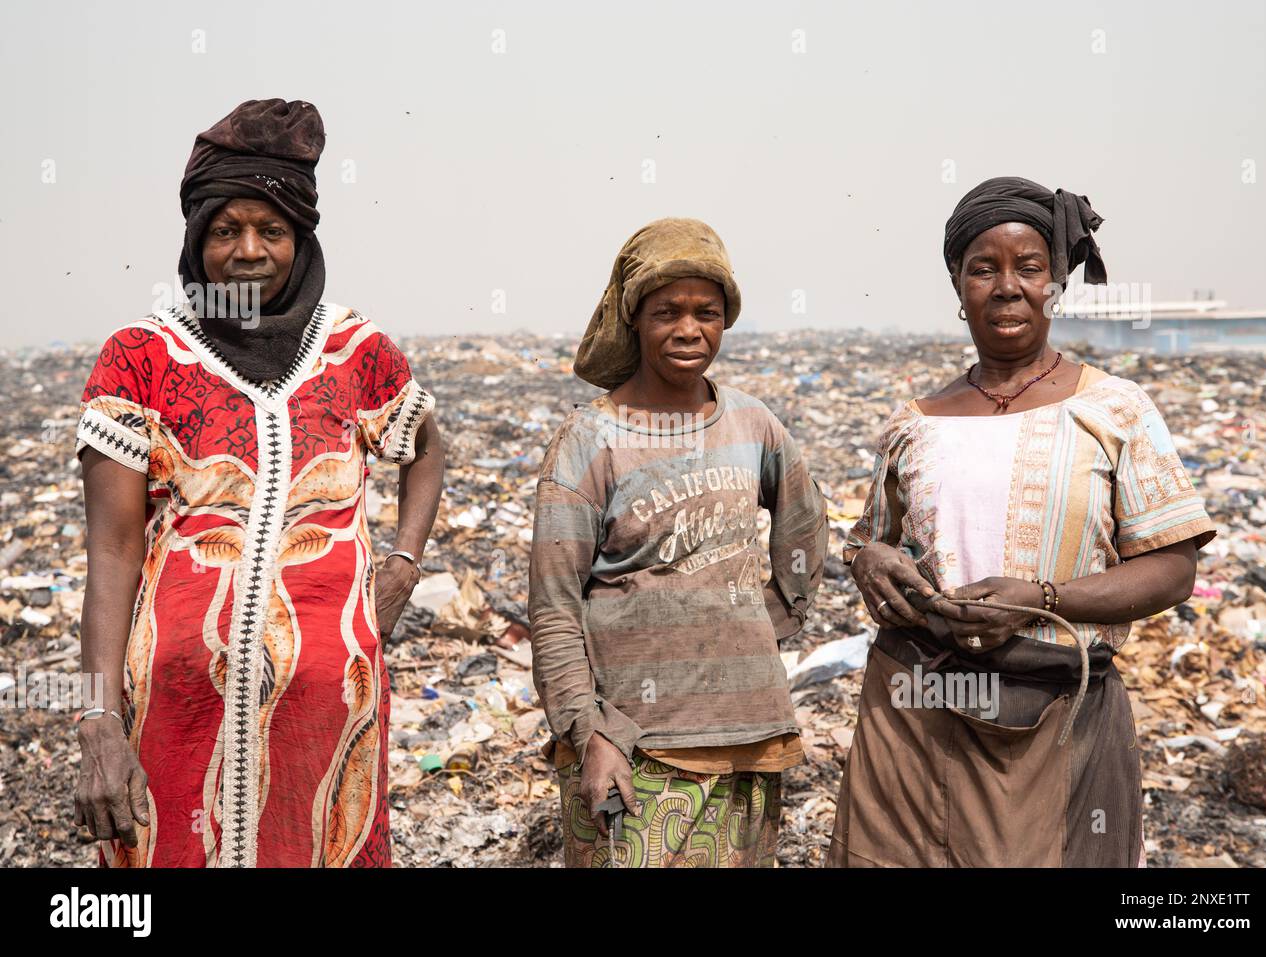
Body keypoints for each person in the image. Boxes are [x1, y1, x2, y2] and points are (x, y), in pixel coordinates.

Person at [72, 99, 444, 867]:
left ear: (301, 239)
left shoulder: (354, 349)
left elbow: (427, 447)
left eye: (270, 230)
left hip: (326, 718)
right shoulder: (140, 359)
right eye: (224, 230)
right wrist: (96, 720)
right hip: (174, 714)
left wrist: (402, 564)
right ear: (195, 237)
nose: (247, 251)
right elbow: (110, 553)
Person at [826, 177, 1216, 867]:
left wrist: (1041, 599)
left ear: (1055, 282)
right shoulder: (914, 423)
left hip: (1058, 715)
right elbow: (870, 540)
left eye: (1028, 267)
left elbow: (1175, 567)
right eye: (984, 268)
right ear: (958, 285)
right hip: (915, 710)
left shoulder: (1116, 410)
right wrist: (867, 561)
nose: (1007, 286)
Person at [528, 218, 829, 867]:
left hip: (750, 736)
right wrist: (588, 733)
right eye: (668, 311)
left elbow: (804, 525)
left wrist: (775, 614)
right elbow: (553, 606)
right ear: (635, 317)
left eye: (707, 311)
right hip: (631, 749)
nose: (689, 329)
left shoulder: (755, 425)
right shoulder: (589, 441)